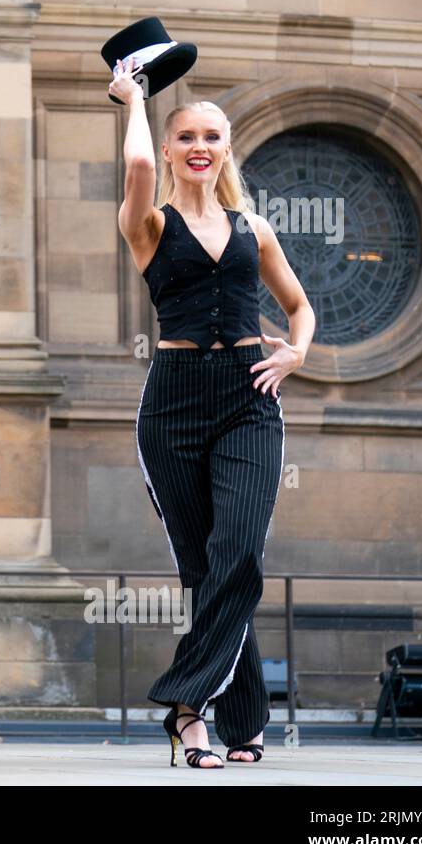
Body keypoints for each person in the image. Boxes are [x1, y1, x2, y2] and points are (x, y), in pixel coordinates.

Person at [109, 56, 315, 768]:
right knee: (204, 568)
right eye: (186, 136)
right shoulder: (147, 223)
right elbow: (137, 164)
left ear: (227, 149)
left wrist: (296, 353)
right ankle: (245, 719)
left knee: (240, 550)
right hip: (172, 403)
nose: (200, 147)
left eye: (212, 137)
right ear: (170, 149)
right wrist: (133, 98)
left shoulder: (254, 228)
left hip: (249, 398)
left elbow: (299, 306)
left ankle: (188, 706)